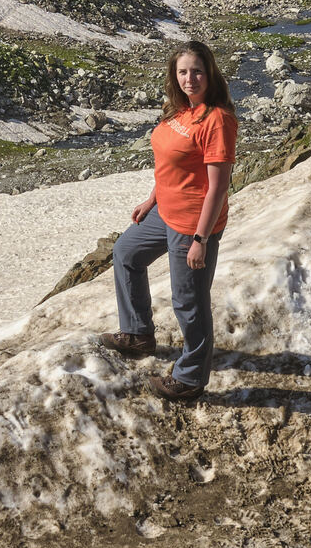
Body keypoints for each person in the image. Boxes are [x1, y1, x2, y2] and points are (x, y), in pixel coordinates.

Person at [101, 40, 238, 400]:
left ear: (209, 73)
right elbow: (170, 166)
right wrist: (152, 199)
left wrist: (201, 239)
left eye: (196, 71)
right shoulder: (179, 111)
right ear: (173, 76)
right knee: (126, 254)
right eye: (182, 72)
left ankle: (191, 378)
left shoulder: (216, 119)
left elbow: (217, 187)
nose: (189, 78)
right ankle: (138, 333)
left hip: (192, 223)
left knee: (188, 302)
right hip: (165, 211)